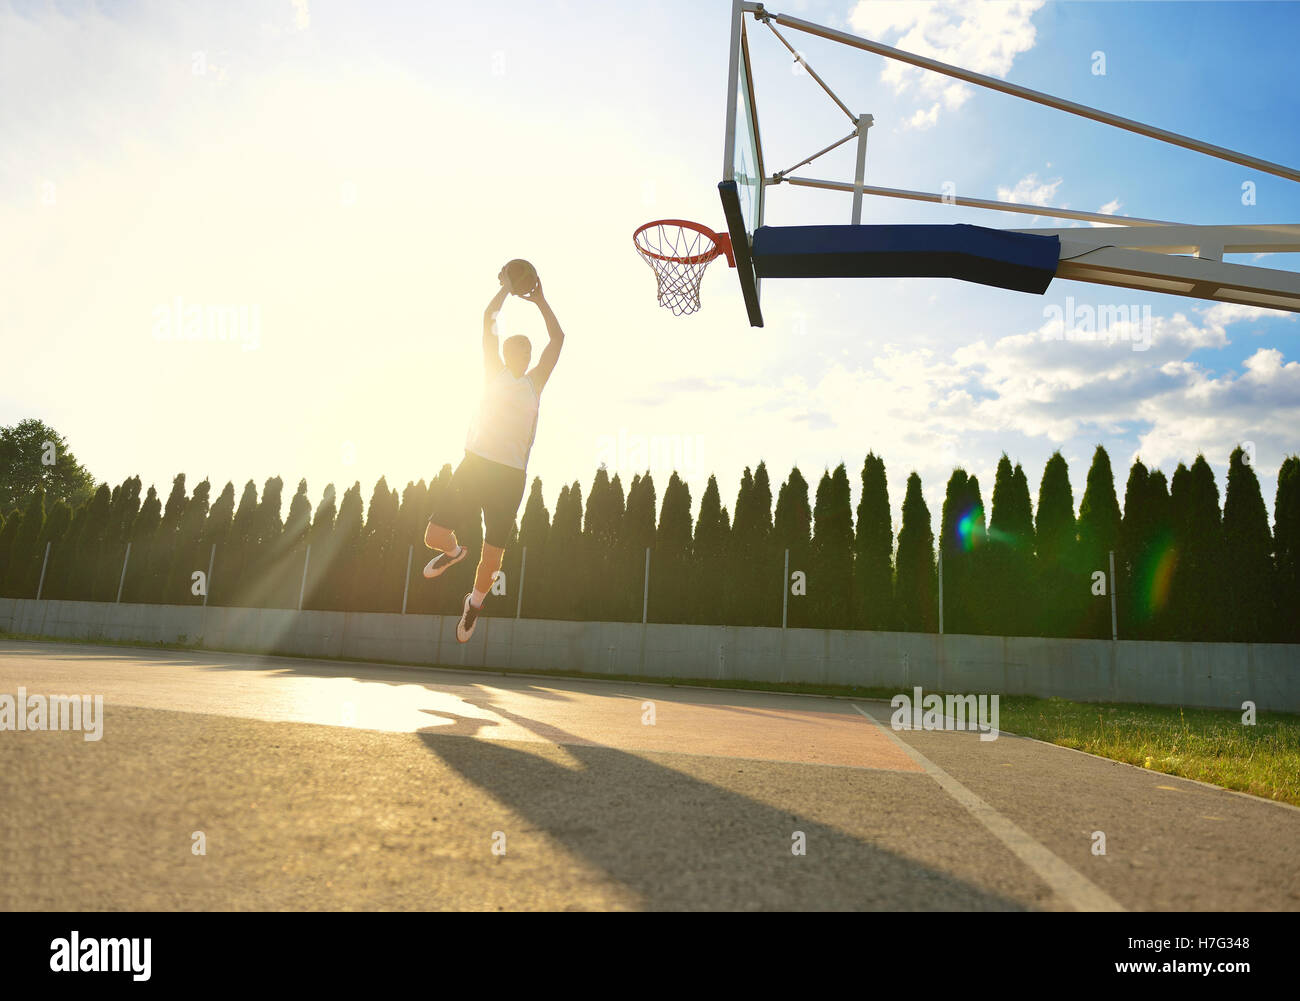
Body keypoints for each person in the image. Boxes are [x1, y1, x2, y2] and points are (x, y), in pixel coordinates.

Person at [422, 271, 565, 642]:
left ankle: (474, 604)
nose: (527, 354)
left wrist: (540, 300)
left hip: (510, 476)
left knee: (493, 556)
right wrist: (506, 288)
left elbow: (558, 339)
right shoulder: (493, 372)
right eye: (521, 349)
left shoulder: (535, 382)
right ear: (506, 353)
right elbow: (488, 318)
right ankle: (453, 552)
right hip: (476, 466)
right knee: (433, 535)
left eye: (530, 351)